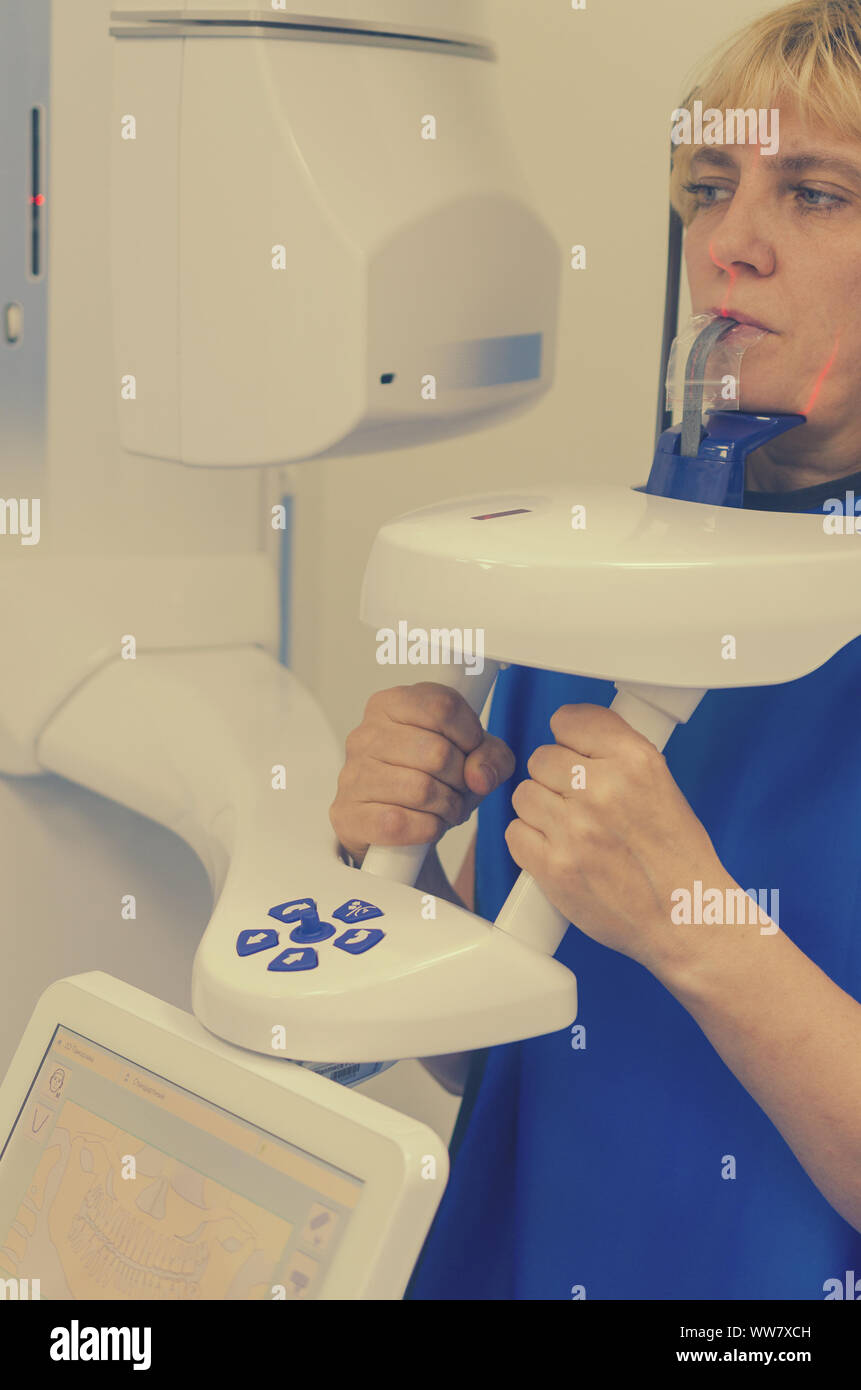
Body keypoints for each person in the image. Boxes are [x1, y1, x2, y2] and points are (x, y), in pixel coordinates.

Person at [330, 0, 861, 1300]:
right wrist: (394, 888)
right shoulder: (590, 581)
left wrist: (691, 924)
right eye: (704, 188)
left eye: (813, 193)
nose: (730, 246)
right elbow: (518, 1055)